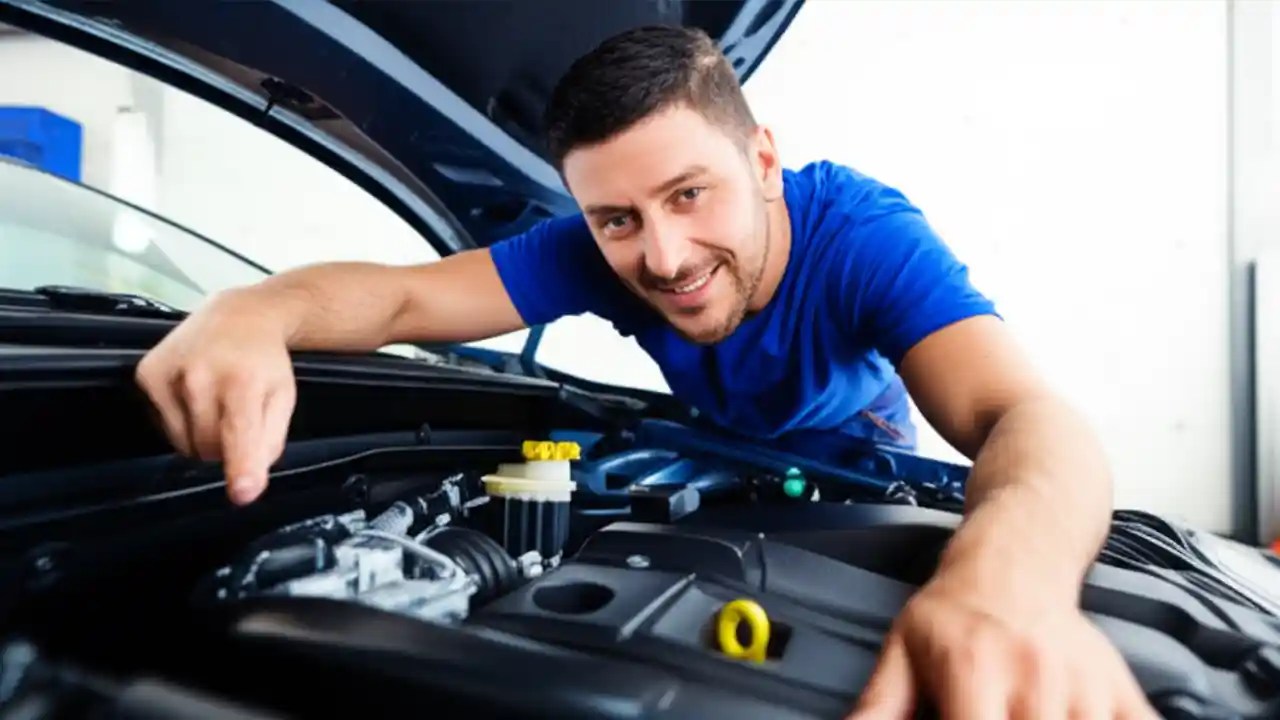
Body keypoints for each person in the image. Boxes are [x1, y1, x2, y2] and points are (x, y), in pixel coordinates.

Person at [135, 24, 1157, 720]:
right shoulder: (594, 248)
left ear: (761, 161)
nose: (660, 257)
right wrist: (250, 309)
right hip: (709, 460)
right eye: (615, 217)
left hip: (852, 468)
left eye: (689, 194)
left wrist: (1007, 581)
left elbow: (1021, 413)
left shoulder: (861, 236)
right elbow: (404, 298)